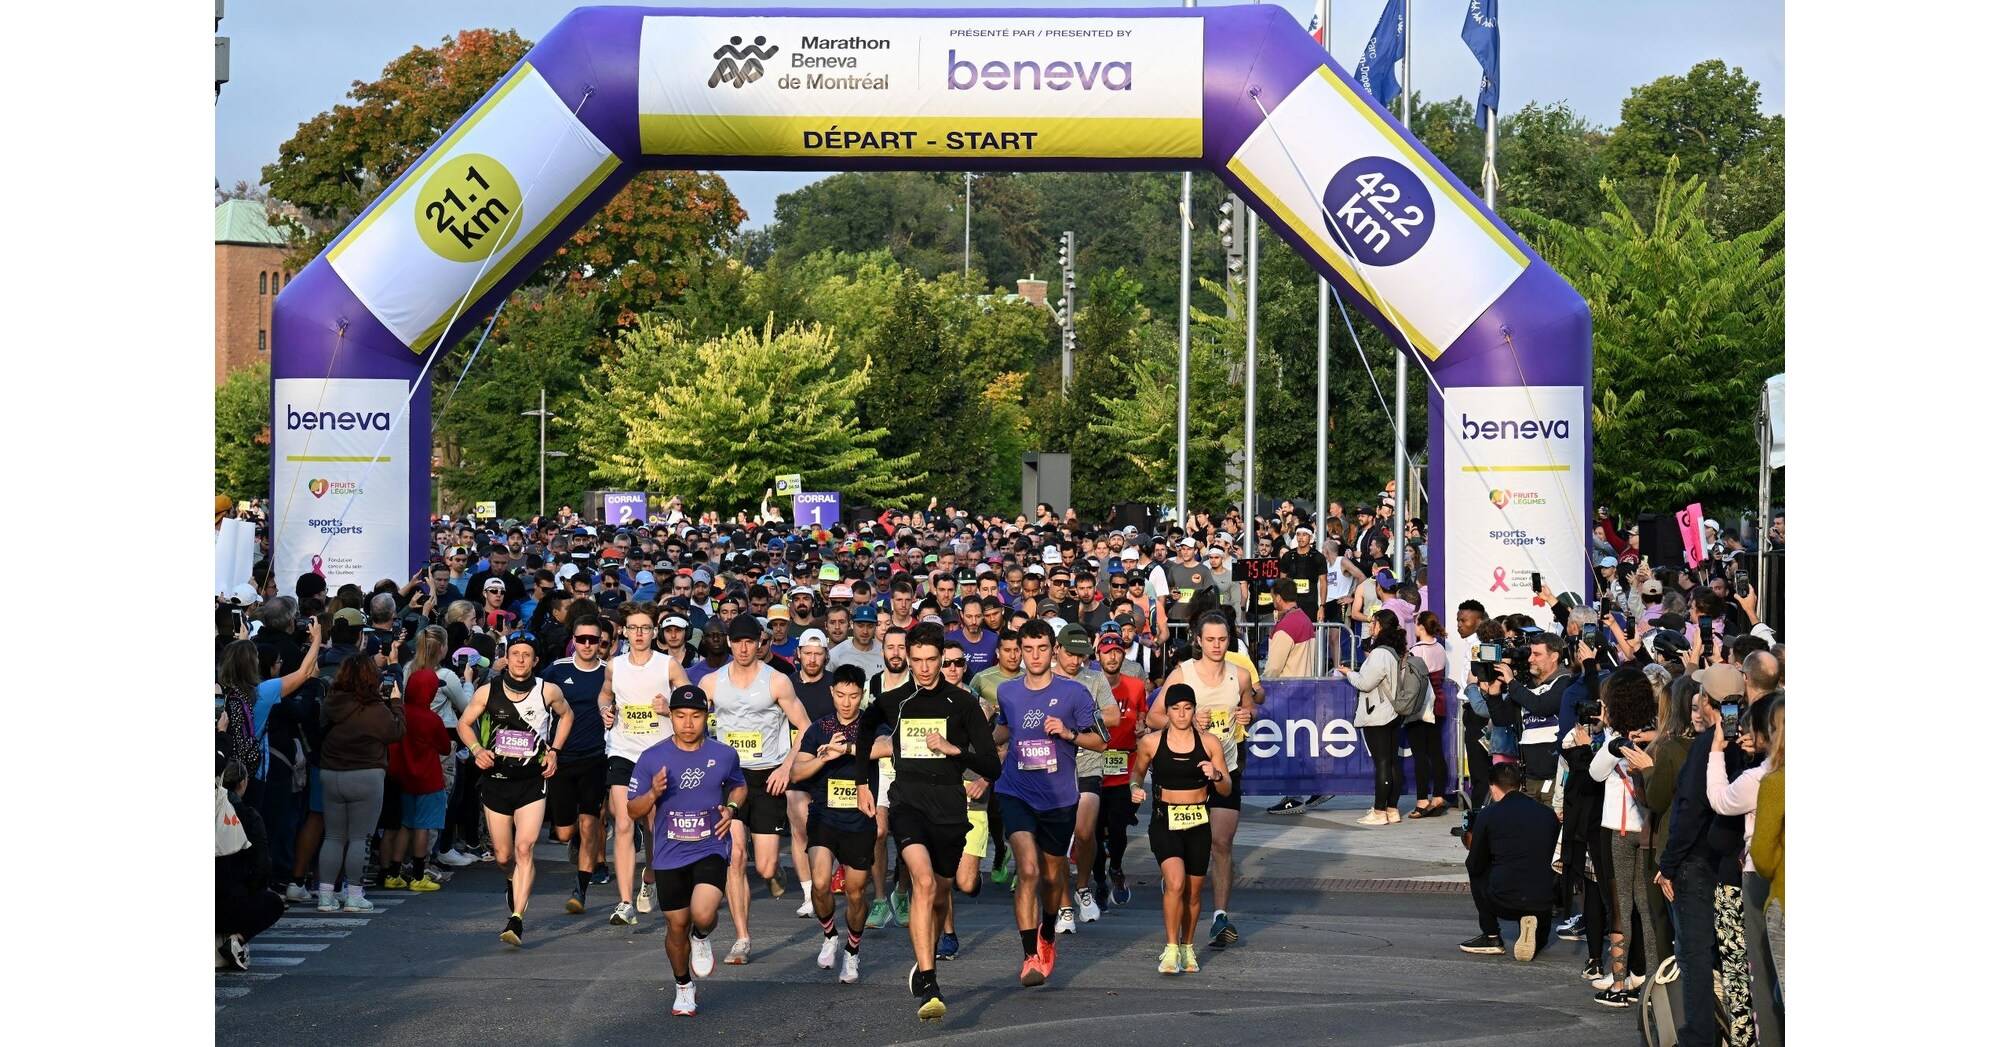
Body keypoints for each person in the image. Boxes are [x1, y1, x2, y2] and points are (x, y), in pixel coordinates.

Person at [853, 623, 1002, 1022]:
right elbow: (864, 730)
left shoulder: (964, 703)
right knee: (921, 882)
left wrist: (956, 750)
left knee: (938, 893)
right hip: (908, 803)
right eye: (915, 660)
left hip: (951, 809)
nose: (922, 668)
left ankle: (924, 961)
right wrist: (861, 784)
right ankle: (931, 981)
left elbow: (992, 765)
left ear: (942, 659)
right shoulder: (894, 700)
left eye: (930, 660)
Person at [992, 619, 1107, 987]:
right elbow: (1004, 728)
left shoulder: (1074, 693)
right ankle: (1029, 956)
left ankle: (1047, 933)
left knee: (1053, 875)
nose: (1035, 656)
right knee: (1028, 869)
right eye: (1028, 650)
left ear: (1054, 649)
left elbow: (1101, 741)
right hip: (1016, 790)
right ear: (1019, 652)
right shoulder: (1008, 692)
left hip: (1058, 798)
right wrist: (981, 735)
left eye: (1043, 648)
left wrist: (1069, 733)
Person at [626, 684, 747, 1018]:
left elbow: (738, 784)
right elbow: (632, 810)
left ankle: (702, 934)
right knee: (675, 925)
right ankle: (683, 986)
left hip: (710, 846)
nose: (688, 723)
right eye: (681, 716)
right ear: (672, 717)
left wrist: (732, 808)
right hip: (669, 853)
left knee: (704, 912)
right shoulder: (652, 757)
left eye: (695, 716)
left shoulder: (723, 754)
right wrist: (652, 794)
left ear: (706, 717)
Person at [702, 613, 813, 965]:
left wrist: (786, 768)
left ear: (760, 642)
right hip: (729, 778)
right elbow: (688, 720)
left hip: (767, 777)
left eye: (751, 641)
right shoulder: (711, 682)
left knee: (764, 866)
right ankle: (742, 937)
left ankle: (774, 871)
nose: (744, 647)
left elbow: (806, 728)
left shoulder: (777, 682)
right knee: (735, 857)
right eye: (738, 641)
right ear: (730, 643)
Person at [455, 631, 574, 946]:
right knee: (504, 855)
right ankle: (511, 879)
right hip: (496, 781)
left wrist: (555, 751)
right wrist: (478, 750)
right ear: (506, 658)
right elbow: (463, 724)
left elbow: (567, 715)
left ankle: (516, 919)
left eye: (527, 655)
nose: (520, 660)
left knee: (525, 848)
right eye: (515, 654)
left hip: (533, 781)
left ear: (535, 660)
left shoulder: (548, 691)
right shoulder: (487, 691)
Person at [1149, 611, 1256, 949]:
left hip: (1224, 769)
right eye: (1210, 639)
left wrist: (1247, 714)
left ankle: (1220, 915)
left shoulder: (1239, 675)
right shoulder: (1184, 673)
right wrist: (1190, 722)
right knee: (1185, 849)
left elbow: (1251, 709)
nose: (1216, 645)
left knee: (1221, 842)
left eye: (1222, 640)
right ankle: (1176, 891)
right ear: (1197, 640)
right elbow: (1153, 717)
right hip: (1183, 775)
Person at [1126, 683, 1231, 974]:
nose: (1182, 714)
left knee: (1194, 893)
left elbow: (1225, 789)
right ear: (1168, 711)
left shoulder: (1209, 742)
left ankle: (1187, 947)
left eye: (1187, 708)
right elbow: (1137, 771)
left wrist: (1217, 774)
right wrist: (1135, 787)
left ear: (1194, 709)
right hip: (1165, 819)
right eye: (1176, 709)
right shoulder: (1152, 742)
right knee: (1175, 883)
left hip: (1198, 822)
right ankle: (1171, 948)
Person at [601, 603, 691, 924]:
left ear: (655, 633)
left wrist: (670, 707)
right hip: (623, 752)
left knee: (653, 826)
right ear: (624, 631)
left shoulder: (669, 666)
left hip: (659, 753)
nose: (639, 633)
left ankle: (650, 878)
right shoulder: (615, 665)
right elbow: (605, 695)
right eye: (633, 628)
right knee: (623, 823)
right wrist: (605, 711)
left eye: (645, 628)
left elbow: (690, 706)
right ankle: (624, 902)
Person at [789, 663, 877, 983]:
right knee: (822, 883)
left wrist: (849, 750)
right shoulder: (819, 728)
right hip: (824, 815)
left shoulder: (870, 724)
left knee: (855, 892)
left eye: (853, 696)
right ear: (832, 692)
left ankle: (852, 953)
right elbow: (796, 772)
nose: (846, 702)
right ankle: (830, 935)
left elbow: (887, 747)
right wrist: (823, 758)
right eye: (840, 694)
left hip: (859, 819)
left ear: (862, 695)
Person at [1584, 668, 1662, 1007]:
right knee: (1647, 908)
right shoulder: (1656, 732)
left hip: (1616, 827)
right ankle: (1654, 986)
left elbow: (1595, 772)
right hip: (1647, 827)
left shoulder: (1616, 738)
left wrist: (1612, 742)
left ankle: (1620, 983)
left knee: (1620, 907)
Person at [315, 654, 406, 913]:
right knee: (359, 838)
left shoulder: (331, 702)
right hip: (366, 774)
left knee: (332, 836)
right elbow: (397, 732)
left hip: (331, 772)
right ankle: (354, 895)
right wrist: (397, 702)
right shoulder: (375, 709)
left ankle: (325, 896)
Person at [1052, 623, 1120, 931]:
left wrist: (1080, 715)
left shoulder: (1094, 679)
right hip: (1053, 767)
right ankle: (1065, 905)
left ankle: (1082, 887)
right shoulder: (1045, 679)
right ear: (1057, 649)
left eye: (1081, 655)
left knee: (1084, 831)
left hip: (1089, 763)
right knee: (1059, 840)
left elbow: (1114, 716)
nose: (1076, 661)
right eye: (1070, 654)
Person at [1459, 762, 1562, 961]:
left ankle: (1491, 936)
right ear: (1521, 786)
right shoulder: (1548, 814)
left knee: (1475, 868)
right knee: (1539, 867)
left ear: (1492, 788)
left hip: (1504, 901)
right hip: (1544, 900)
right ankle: (1535, 931)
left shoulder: (1489, 814)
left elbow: (1475, 864)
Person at [544, 613, 611, 915]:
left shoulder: (610, 673)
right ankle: (572, 840)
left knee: (590, 822)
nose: (586, 644)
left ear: (601, 643)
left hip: (595, 758)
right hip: (561, 759)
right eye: (581, 639)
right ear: (573, 640)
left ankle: (579, 891)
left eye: (592, 640)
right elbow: (535, 700)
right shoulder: (558, 670)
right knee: (563, 831)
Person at [1263, 585, 1332, 816]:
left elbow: (1273, 667)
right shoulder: (1303, 618)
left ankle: (1294, 796)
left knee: (1288, 746)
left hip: (1286, 693)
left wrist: (1261, 685)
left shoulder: (1286, 625)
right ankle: (1319, 787)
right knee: (1302, 745)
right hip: (1305, 690)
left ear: (1279, 597)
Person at [1335, 610, 1409, 826]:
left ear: (1381, 626)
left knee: (1383, 763)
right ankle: (1391, 809)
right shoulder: (1396, 651)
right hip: (1393, 712)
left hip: (1378, 713)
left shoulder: (1380, 654)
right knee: (1393, 762)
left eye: (1373, 622)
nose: (1369, 625)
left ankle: (1379, 811)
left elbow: (1365, 683)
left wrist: (1348, 672)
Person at [382, 668, 451, 892]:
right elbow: (445, 746)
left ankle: (393, 872)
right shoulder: (431, 719)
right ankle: (419, 874)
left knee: (406, 824)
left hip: (404, 778)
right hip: (429, 779)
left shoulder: (401, 713)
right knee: (423, 826)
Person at [1093, 631, 1149, 907]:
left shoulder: (1136, 686)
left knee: (1118, 829)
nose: (1112, 656)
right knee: (1091, 832)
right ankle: (1099, 882)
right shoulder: (1088, 686)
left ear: (1123, 654)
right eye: (1107, 651)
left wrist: (1142, 726)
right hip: (1093, 767)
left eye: (1117, 651)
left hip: (1125, 767)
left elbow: (1143, 716)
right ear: (1098, 656)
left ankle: (1115, 867)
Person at [785, 628, 836, 918]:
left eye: (819, 653)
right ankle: (808, 892)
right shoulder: (787, 685)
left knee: (830, 826)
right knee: (800, 823)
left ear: (826, 655)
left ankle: (827, 880)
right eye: (808, 653)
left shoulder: (833, 684)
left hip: (831, 765)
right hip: (797, 763)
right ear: (799, 654)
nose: (813, 659)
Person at [216, 758, 283, 970]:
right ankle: (237, 938)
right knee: (274, 903)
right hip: (232, 902)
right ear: (243, 783)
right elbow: (262, 867)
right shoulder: (249, 817)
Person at [1405, 610, 1450, 818]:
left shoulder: (1416, 650)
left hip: (1421, 707)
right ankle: (1438, 797)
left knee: (1420, 755)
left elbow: (1412, 682)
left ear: (1421, 626)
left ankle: (1422, 800)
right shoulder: (1440, 648)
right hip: (1439, 704)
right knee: (1436, 752)